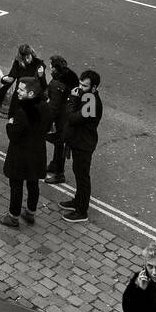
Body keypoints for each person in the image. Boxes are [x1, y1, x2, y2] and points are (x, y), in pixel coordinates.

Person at [0, 78, 50, 228]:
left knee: (16, 185)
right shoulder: (45, 107)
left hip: (20, 155)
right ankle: (30, 213)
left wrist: (10, 124)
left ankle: (13, 217)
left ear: (31, 93)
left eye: (21, 90)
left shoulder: (22, 113)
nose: (17, 92)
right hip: (37, 153)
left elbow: (14, 135)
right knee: (33, 184)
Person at [59, 69, 102, 223]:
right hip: (78, 141)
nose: (80, 88)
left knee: (83, 178)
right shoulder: (86, 96)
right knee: (78, 174)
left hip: (84, 145)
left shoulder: (91, 101)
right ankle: (77, 201)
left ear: (94, 88)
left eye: (84, 86)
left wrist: (72, 98)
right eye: (79, 84)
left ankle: (82, 211)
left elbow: (72, 118)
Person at [45, 54, 79, 184]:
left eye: (51, 66)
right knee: (59, 144)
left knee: (58, 143)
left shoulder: (57, 84)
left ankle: (59, 174)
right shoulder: (70, 76)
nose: (49, 68)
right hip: (68, 115)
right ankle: (54, 165)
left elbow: (54, 106)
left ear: (54, 68)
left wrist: (46, 122)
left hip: (61, 119)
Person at [0, 43, 47, 117]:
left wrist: (41, 76)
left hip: (31, 94)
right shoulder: (18, 62)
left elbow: (43, 82)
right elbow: (11, 78)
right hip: (21, 93)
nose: (27, 60)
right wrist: (4, 79)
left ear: (31, 53)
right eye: (25, 58)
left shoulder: (39, 63)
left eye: (28, 56)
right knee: (16, 116)